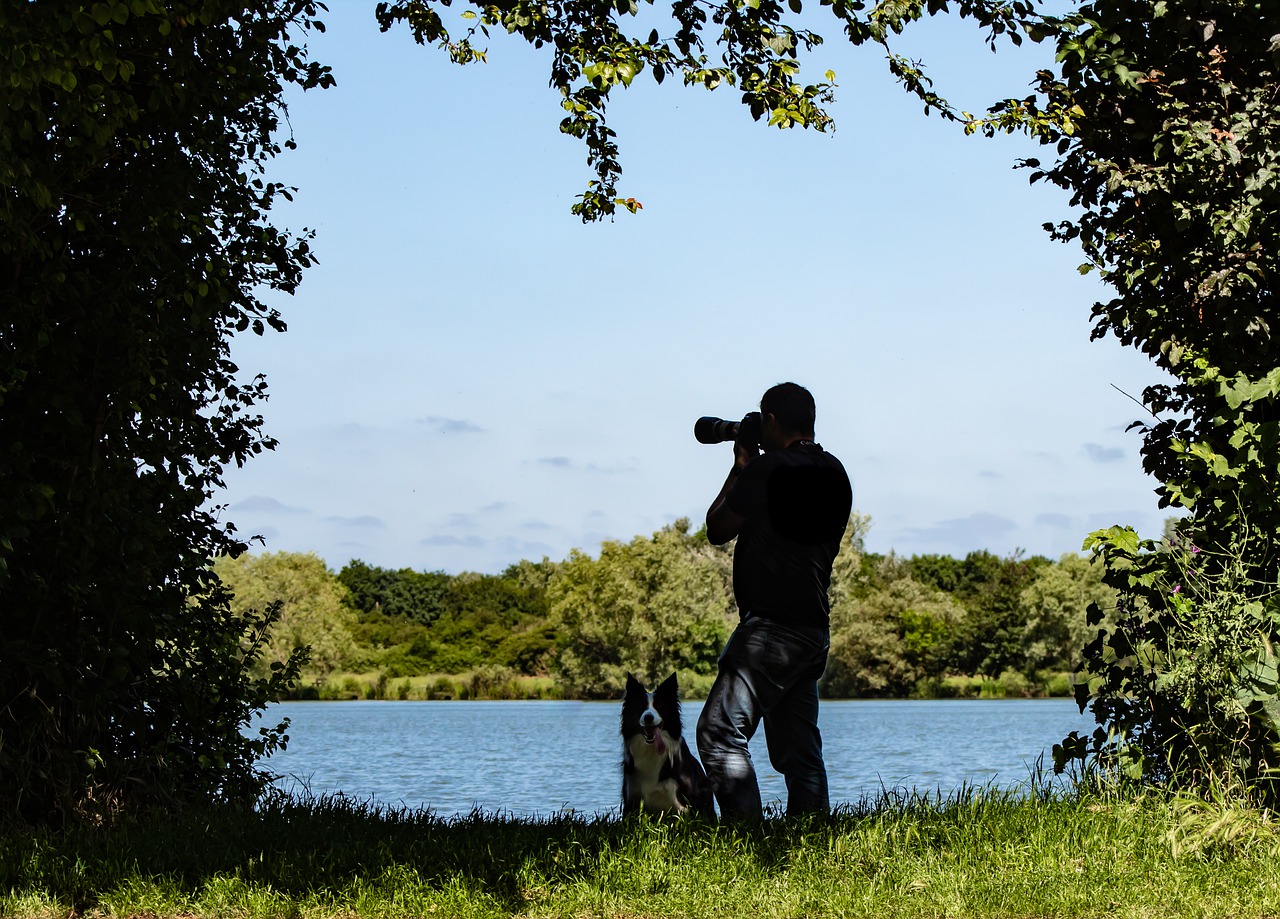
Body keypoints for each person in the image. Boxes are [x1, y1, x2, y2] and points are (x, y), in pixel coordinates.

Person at [696, 382, 852, 820]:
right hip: (811, 630)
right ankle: (811, 836)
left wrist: (742, 462)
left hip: (770, 630)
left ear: (772, 421)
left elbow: (718, 526)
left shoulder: (769, 471)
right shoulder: (836, 473)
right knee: (799, 752)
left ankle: (745, 841)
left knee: (718, 732)